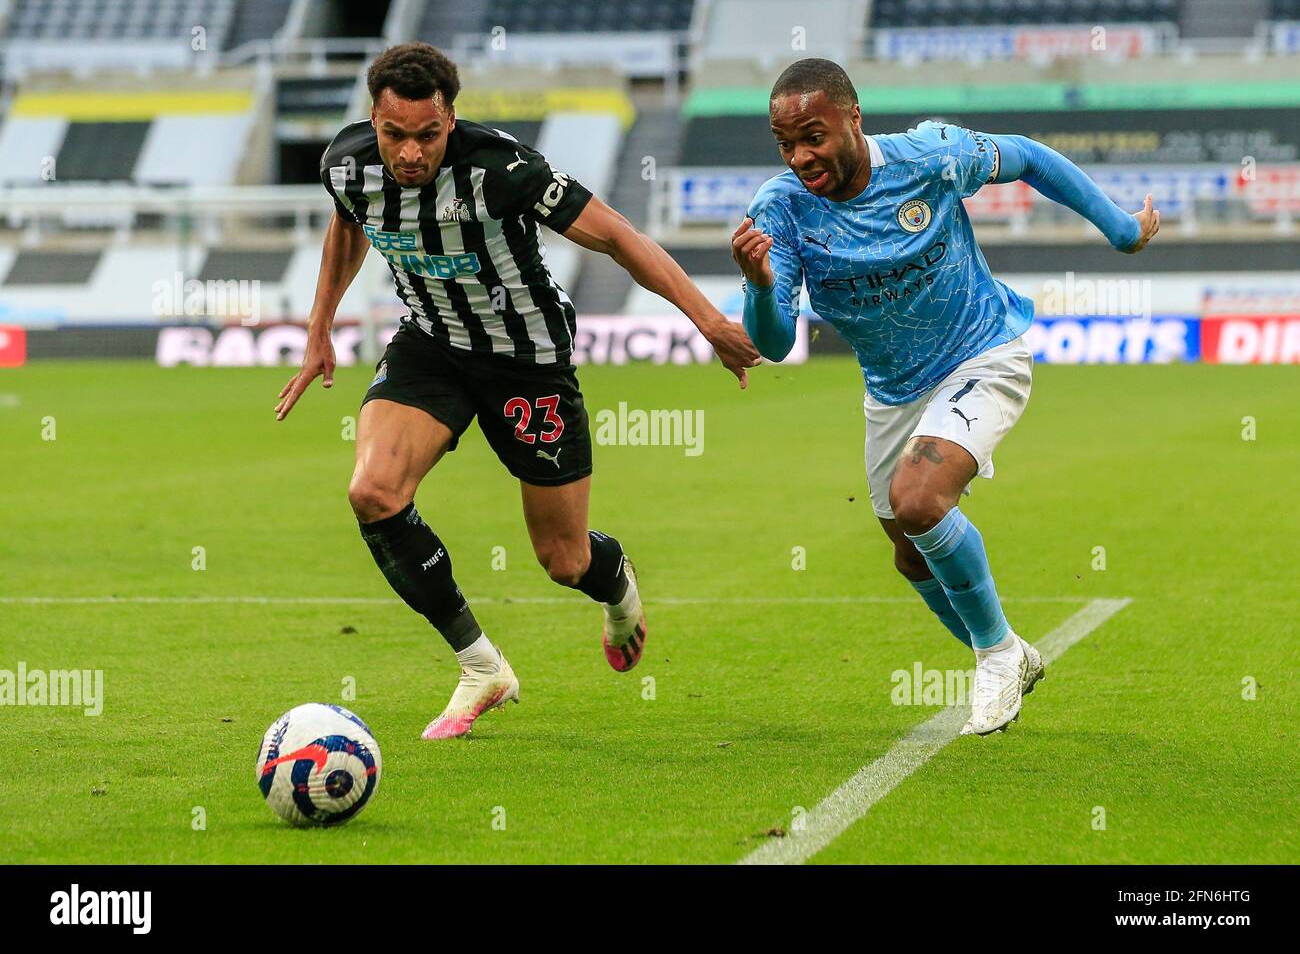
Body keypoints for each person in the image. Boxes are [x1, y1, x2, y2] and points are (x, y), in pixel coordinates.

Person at [277, 42, 760, 739]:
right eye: (394, 136)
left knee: (564, 560)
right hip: (432, 345)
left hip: (526, 359)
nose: (409, 154)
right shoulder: (345, 165)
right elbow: (347, 226)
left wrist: (710, 321)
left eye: (428, 136)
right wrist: (319, 326)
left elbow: (619, 237)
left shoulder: (504, 170)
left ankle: (616, 578)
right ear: (373, 121)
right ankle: (481, 667)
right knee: (372, 491)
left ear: (452, 119)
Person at [732, 58, 1159, 735]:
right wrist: (758, 284)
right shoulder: (780, 209)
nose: (800, 155)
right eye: (786, 143)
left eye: (813, 136)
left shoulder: (929, 156)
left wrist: (1119, 228)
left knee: (920, 500)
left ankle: (992, 656)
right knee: (908, 550)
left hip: (983, 354)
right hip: (892, 393)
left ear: (854, 118)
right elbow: (775, 341)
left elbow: (1026, 158)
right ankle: (1010, 652)